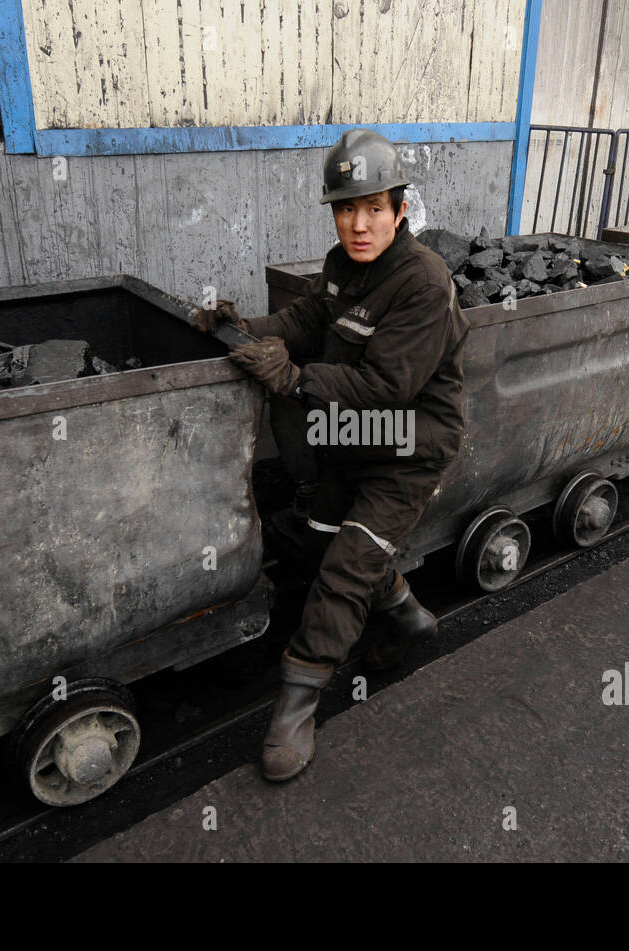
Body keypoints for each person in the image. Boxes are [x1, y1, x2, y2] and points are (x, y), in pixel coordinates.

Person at [195, 128, 469, 782]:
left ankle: (295, 705)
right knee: (321, 541)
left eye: (374, 207)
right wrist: (240, 330)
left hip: (408, 445)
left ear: (400, 210)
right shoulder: (341, 266)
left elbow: (386, 387)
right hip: (350, 435)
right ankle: (405, 611)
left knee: (346, 567)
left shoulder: (424, 284)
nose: (359, 222)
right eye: (346, 208)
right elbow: (304, 325)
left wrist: (293, 379)